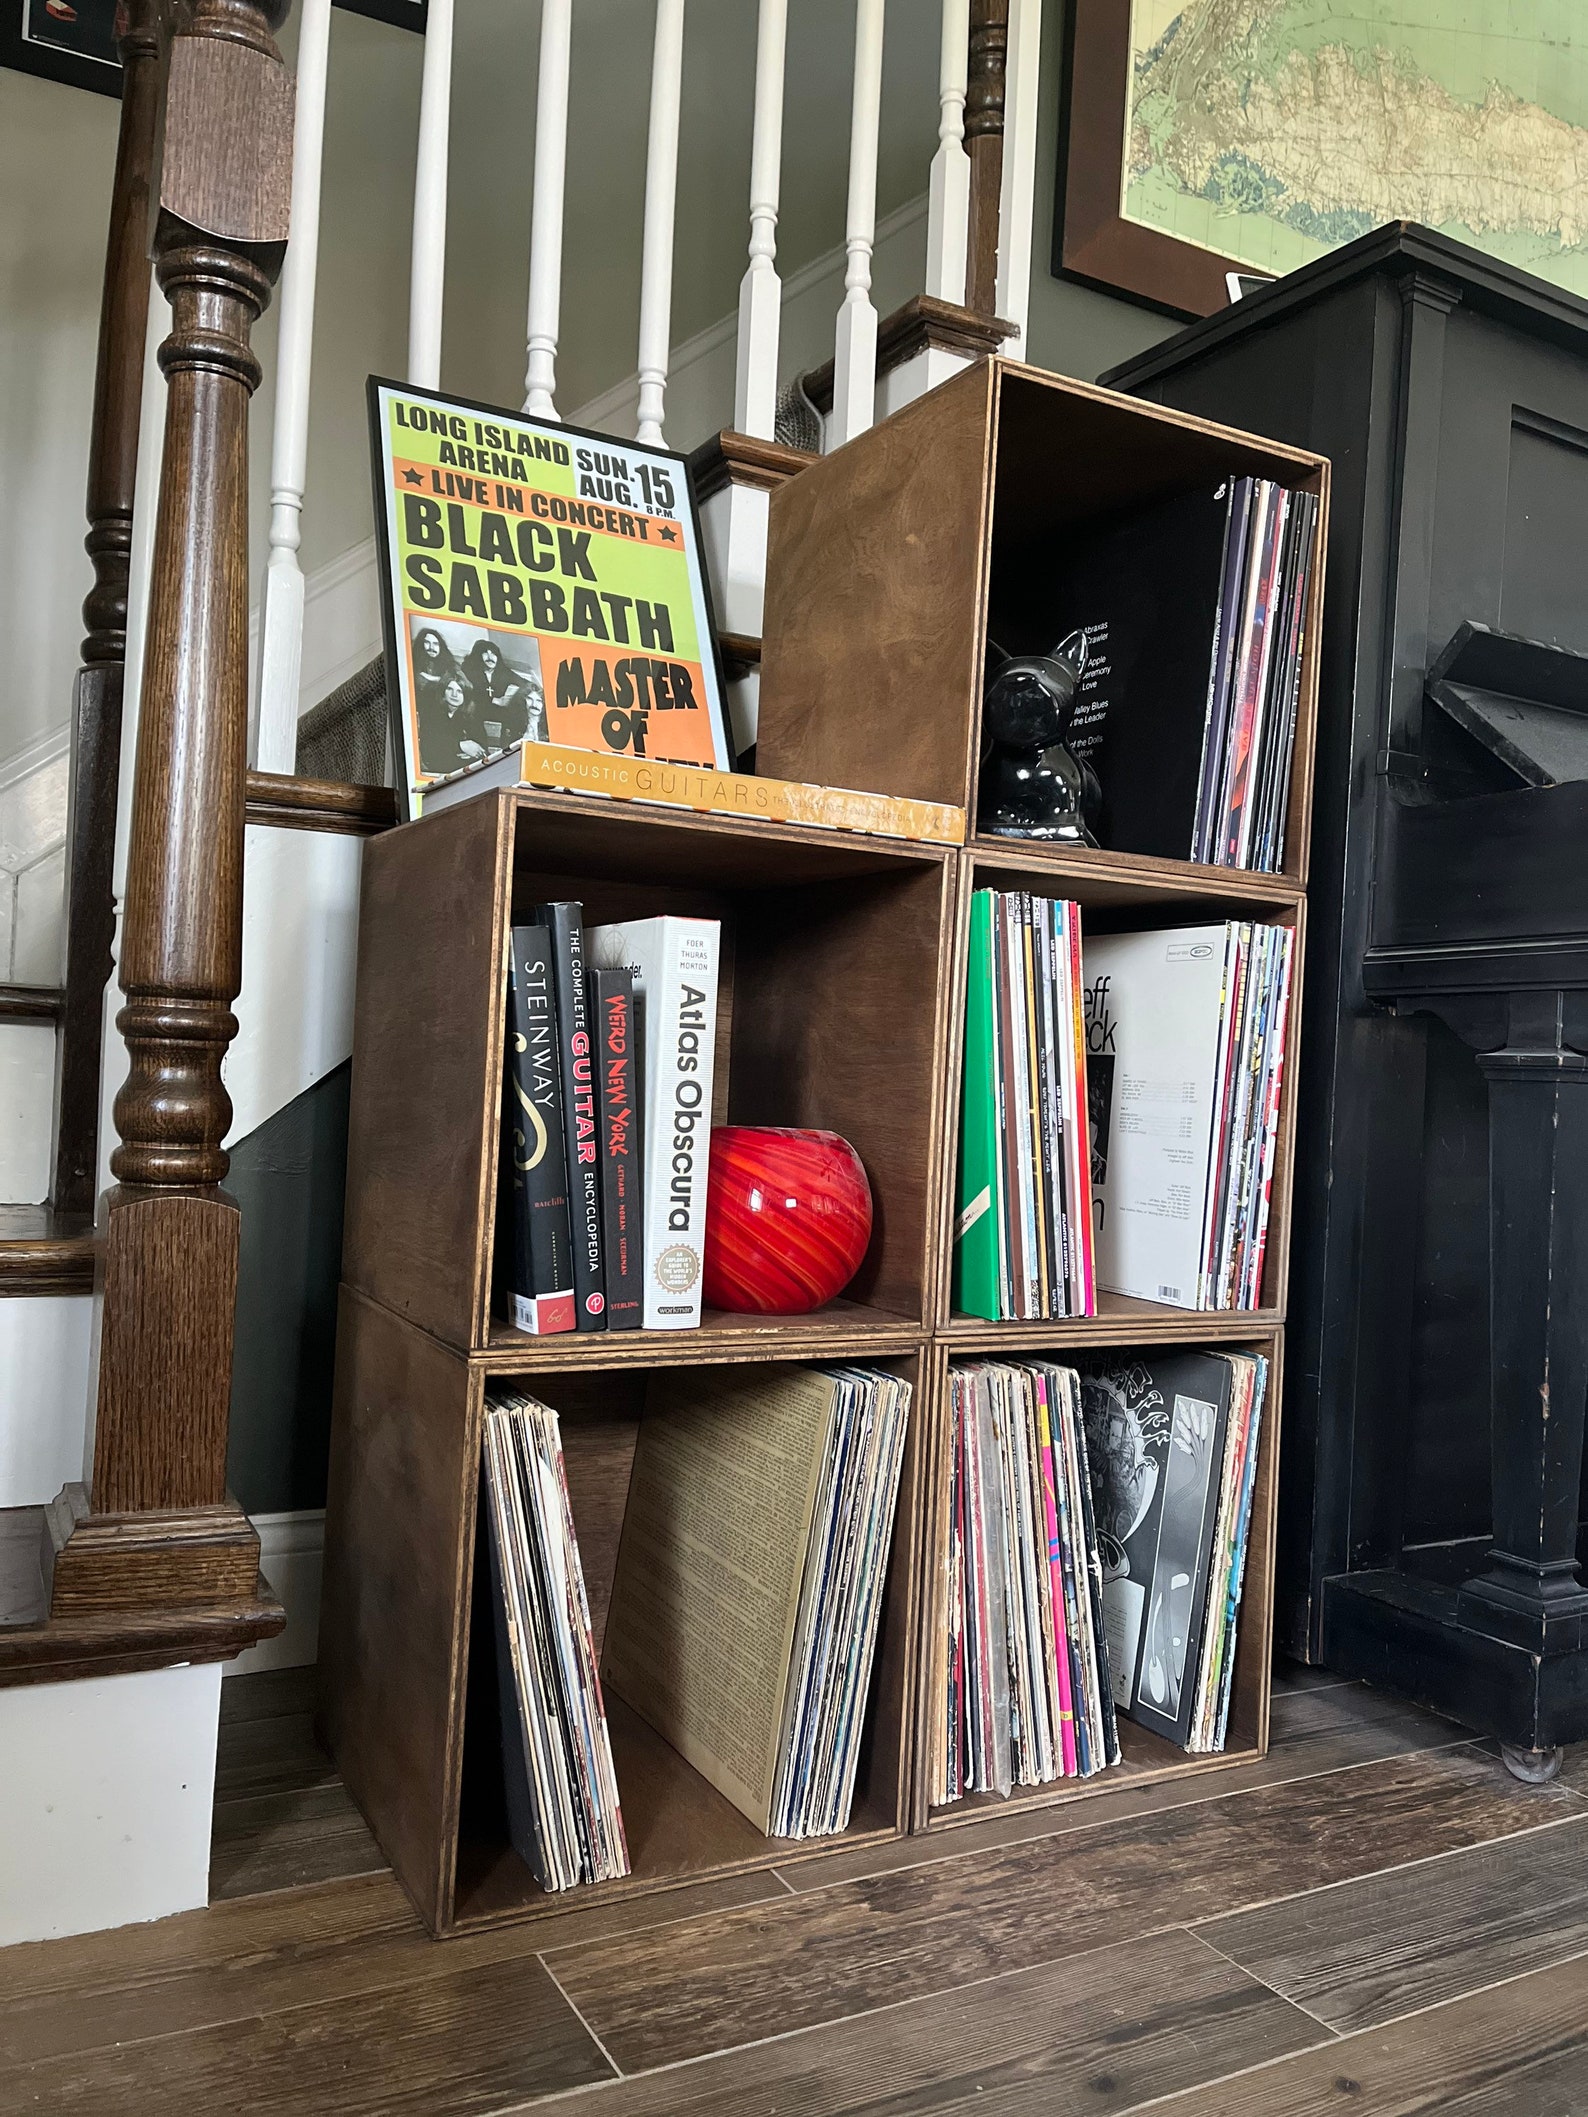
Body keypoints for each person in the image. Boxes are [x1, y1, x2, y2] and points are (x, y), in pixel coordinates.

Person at [462, 639, 535, 751]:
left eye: (493, 654)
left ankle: (506, 749)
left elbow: (526, 684)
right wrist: (495, 700)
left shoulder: (503, 672)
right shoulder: (470, 670)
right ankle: (482, 750)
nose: (490, 657)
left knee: (513, 716)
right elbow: (469, 692)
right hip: (478, 708)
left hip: (497, 710)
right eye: (485, 653)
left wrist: (514, 698)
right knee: (473, 713)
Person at [419, 672, 487, 777]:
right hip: (438, 771)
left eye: (459, 691)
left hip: (467, 771)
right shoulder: (431, 713)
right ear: (443, 692)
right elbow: (429, 747)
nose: (454, 695)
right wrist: (460, 746)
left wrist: (472, 752)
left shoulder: (472, 717)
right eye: (450, 689)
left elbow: (482, 747)